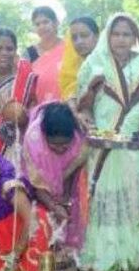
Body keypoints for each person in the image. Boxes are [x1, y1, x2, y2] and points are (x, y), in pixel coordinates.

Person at [76, 13, 139, 271]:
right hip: (102, 139)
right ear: (107, 36)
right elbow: (83, 107)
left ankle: (129, 258)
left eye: (127, 34)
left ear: (135, 37)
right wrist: (91, 91)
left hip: (131, 141)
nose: (121, 39)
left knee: (130, 197)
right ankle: (103, 256)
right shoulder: (94, 63)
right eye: (116, 33)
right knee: (103, 196)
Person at [23, 102, 89, 253]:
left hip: (69, 189)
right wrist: (53, 206)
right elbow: (36, 183)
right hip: (38, 194)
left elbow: (73, 171)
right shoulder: (34, 142)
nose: (60, 149)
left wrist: (66, 198)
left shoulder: (78, 140)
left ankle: (68, 248)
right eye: (54, 145)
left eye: (65, 145)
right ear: (45, 136)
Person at [0, 28, 37, 161]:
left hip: (23, 139)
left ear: (15, 50)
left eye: (9, 49)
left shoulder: (25, 72)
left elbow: (33, 103)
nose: (4, 53)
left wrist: (21, 115)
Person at [26, 6, 65, 103]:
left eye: (46, 22)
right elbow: (26, 85)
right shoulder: (30, 53)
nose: (41, 27)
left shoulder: (69, 48)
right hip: (39, 112)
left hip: (68, 108)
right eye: (37, 24)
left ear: (56, 23)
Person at [59, 16, 100, 101]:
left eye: (84, 35)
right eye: (74, 38)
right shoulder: (69, 70)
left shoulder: (111, 64)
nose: (79, 42)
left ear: (96, 36)